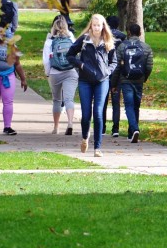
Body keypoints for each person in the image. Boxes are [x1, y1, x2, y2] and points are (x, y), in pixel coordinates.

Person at [67, 14, 117, 157]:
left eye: (98, 25)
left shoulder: (108, 41)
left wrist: (108, 71)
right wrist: (81, 64)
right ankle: (84, 137)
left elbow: (114, 61)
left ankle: (97, 148)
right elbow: (70, 55)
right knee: (86, 114)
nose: (96, 28)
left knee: (98, 113)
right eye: (94, 25)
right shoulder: (84, 39)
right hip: (85, 81)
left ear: (103, 26)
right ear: (91, 26)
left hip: (102, 81)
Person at [116, 22, 154, 144]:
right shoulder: (146, 47)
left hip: (126, 80)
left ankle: (134, 129)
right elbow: (149, 66)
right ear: (140, 33)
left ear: (129, 33)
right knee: (136, 105)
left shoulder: (122, 46)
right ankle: (131, 132)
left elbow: (116, 66)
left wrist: (113, 83)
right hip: (139, 80)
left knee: (129, 105)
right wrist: (144, 77)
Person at [43, 15, 78, 136]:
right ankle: (70, 123)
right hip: (70, 71)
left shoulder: (49, 41)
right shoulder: (71, 39)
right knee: (69, 99)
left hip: (55, 73)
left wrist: (48, 73)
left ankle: (56, 127)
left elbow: (46, 61)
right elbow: (76, 55)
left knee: (57, 100)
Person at [104, 15, 127, 137]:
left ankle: (102, 127)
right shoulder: (122, 37)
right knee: (116, 102)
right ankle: (115, 128)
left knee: (102, 101)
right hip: (118, 71)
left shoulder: (104, 35)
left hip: (105, 70)